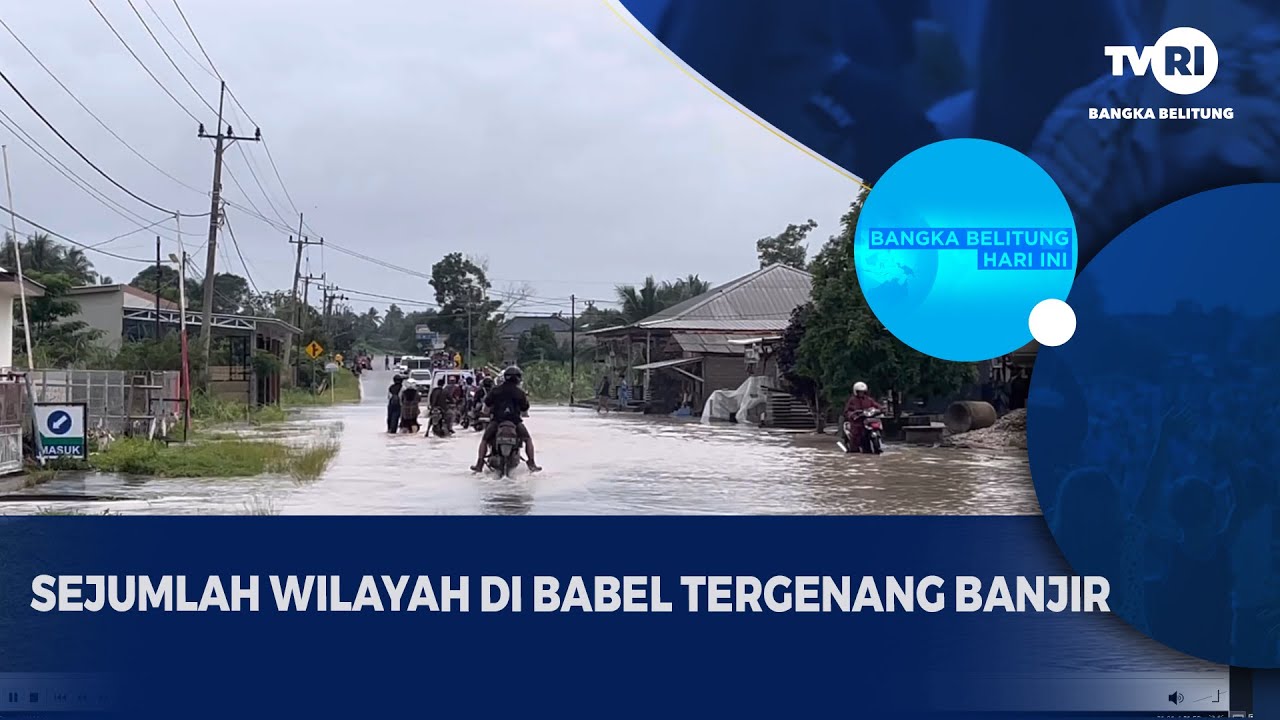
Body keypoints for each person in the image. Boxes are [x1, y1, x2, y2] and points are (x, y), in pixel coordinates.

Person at [471, 365, 540, 472]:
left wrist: (485, 413)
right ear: (518, 378)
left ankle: (479, 464)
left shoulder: (495, 390)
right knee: (527, 439)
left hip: (497, 421)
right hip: (515, 422)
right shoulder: (520, 393)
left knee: (485, 439)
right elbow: (525, 408)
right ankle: (531, 463)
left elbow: (486, 408)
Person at [842, 381, 881, 452]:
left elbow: (876, 405)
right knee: (856, 435)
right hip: (857, 421)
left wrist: (882, 409)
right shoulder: (852, 400)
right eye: (860, 392)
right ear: (856, 392)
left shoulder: (868, 399)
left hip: (868, 419)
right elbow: (847, 411)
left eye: (863, 392)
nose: (861, 393)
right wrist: (852, 415)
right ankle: (854, 449)